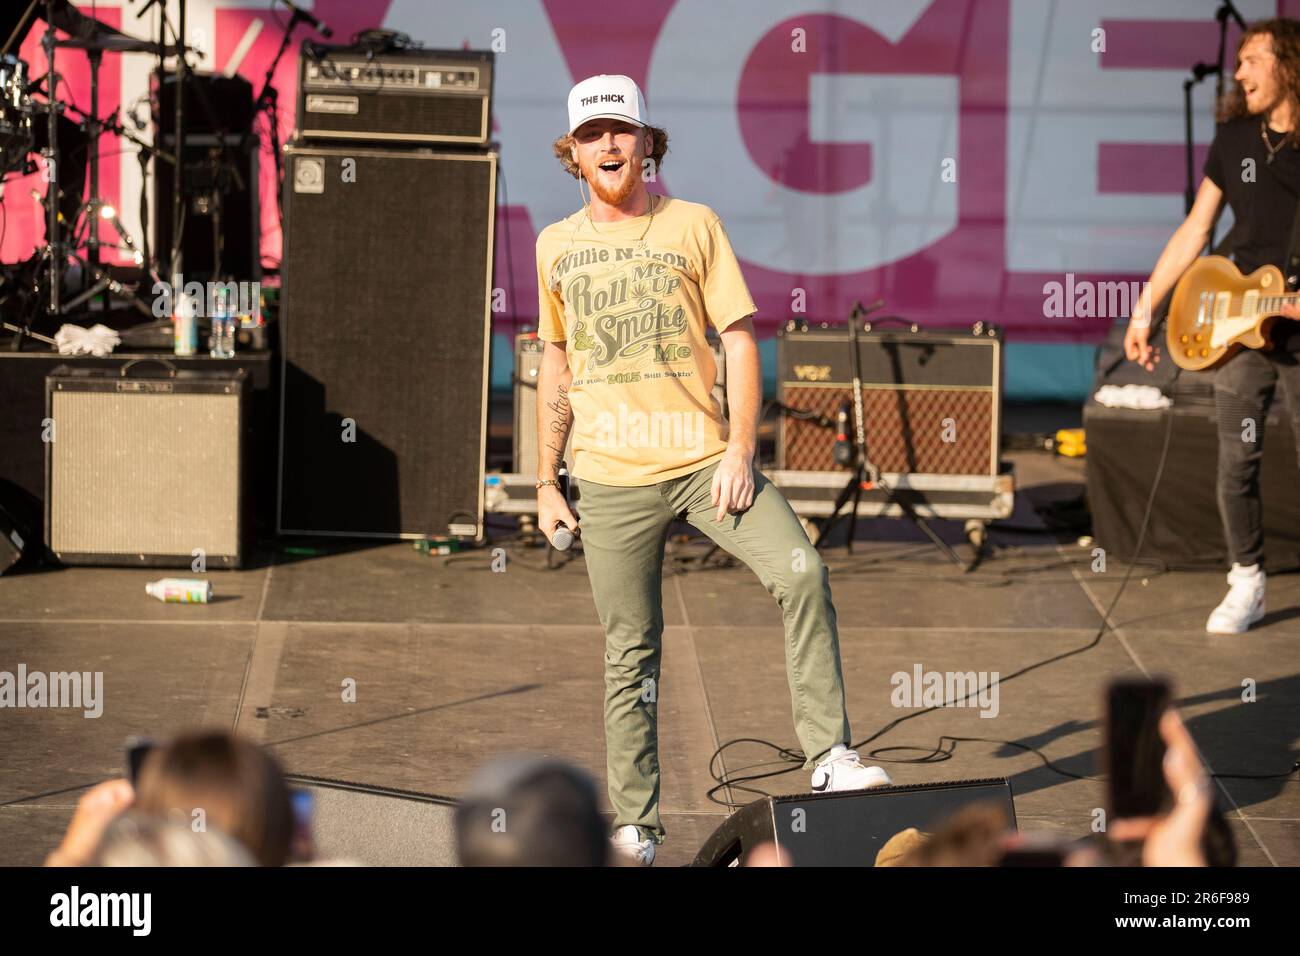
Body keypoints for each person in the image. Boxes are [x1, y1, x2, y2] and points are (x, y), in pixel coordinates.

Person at [534, 73, 891, 866]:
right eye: (593, 135)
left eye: (622, 130)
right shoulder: (554, 245)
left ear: (647, 142)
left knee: (801, 572)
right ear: (573, 153)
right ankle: (636, 826)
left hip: (703, 463)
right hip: (611, 474)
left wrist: (739, 447)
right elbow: (555, 361)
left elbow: (737, 337)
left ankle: (828, 755)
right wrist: (544, 479)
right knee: (631, 651)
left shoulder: (693, 224)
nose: (610, 144)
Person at [1125, 18, 1300, 634]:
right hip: (1235, 319)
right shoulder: (1233, 139)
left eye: (1255, 59)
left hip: (1295, 318)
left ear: (1290, 64)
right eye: (1241, 61)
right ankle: (1246, 579)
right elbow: (1196, 230)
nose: (1241, 71)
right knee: (1237, 460)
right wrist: (1146, 308)